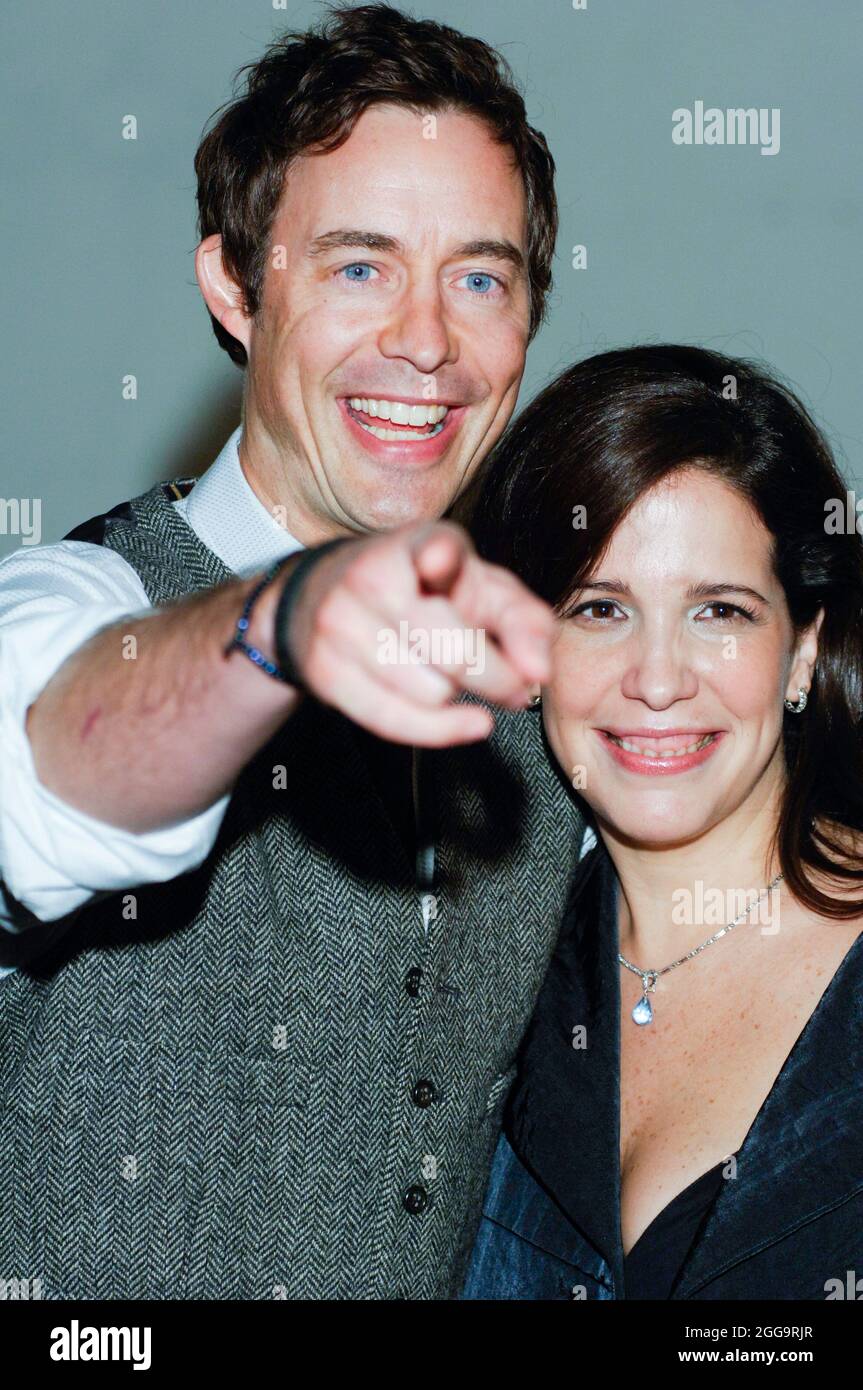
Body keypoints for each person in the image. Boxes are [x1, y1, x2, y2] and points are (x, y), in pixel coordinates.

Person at [0, 6, 589, 1299]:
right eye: (358, 266)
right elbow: (52, 767)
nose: (425, 342)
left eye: (478, 278)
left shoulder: (538, 685)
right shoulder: (66, 602)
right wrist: (278, 621)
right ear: (231, 282)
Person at [462, 344, 863, 1299]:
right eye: (599, 609)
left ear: (801, 650)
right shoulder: (473, 977)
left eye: (717, 611)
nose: (655, 679)